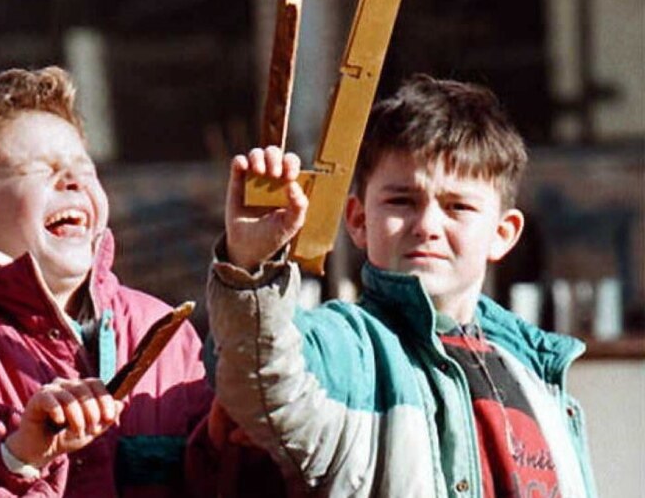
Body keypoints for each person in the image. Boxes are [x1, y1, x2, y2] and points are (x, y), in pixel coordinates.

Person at [207, 75, 598, 497]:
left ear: (503, 232)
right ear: (357, 219)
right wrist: (251, 264)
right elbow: (263, 376)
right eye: (402, 201)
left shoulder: (536, 372)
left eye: (458, 206)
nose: (427, 226)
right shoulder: (345, 351)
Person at [0, 66, 213, 497]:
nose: (72, 181)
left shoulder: (159, 326)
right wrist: (20, 455)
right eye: (37, 170)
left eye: (84, 167)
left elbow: (223, 473)